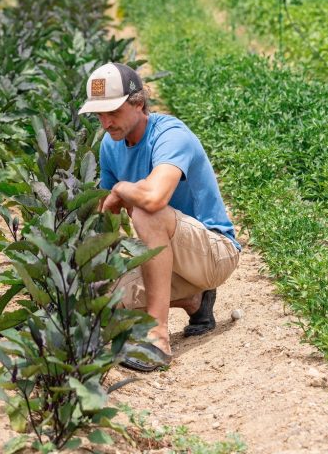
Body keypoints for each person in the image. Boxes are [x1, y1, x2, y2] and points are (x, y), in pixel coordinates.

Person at [78, 62, 241, 372]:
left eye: (113, 111)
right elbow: (106, 214)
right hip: (171, 260)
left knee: (146, 210)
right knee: (98, 300)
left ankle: (158, 337)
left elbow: (154, 198)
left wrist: (122, 189)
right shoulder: (110, 146)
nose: (106, 122)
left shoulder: (170, 135)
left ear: (138, 103)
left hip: (214, 253)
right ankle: (195, 301)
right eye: (99, 114)